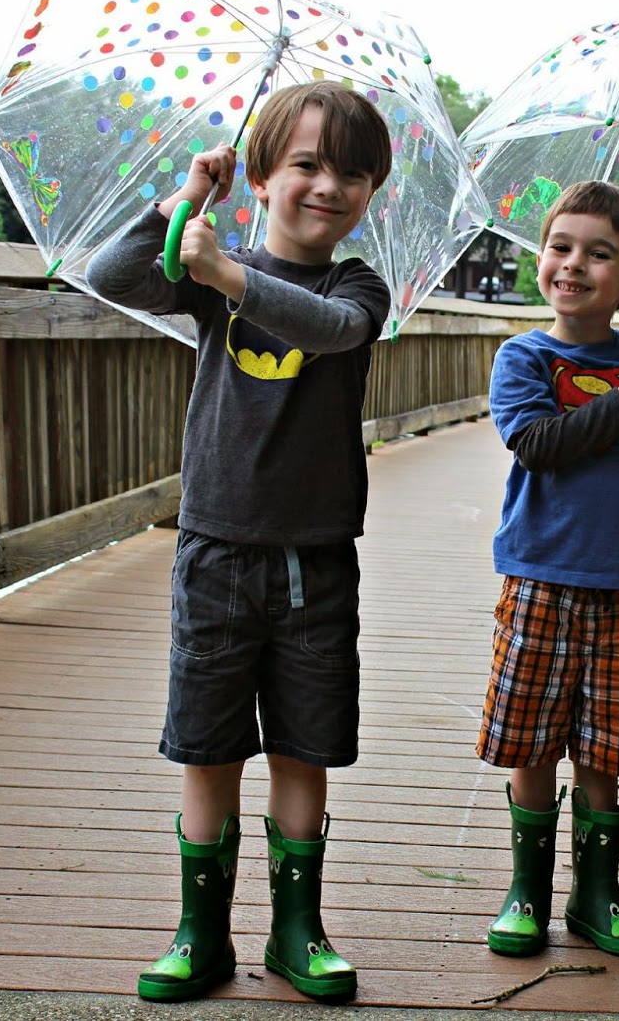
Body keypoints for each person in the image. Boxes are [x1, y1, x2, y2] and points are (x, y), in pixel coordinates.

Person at [84, 81, 394, 1005]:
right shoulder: (207, 255)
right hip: (215, 549)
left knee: (305, 744)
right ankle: (199, 933)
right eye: (304, 164)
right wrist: (183, 202)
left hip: (315, 556)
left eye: (351, 172)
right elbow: (109, 277)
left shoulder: (355, 285)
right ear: (261, 176)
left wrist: (231, 279)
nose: (327, 185)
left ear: (370, 192)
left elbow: (329, 332)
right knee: (208, 745)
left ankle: (298, 932)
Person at [477, 180, 619, 961]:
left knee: (607, 745)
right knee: (533, 740)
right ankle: (526, 893)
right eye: (561, 247)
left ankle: (596, 894)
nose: (573, 265)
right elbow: (537, 444)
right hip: (540, 572)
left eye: (599, 254)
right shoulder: (524, 356)